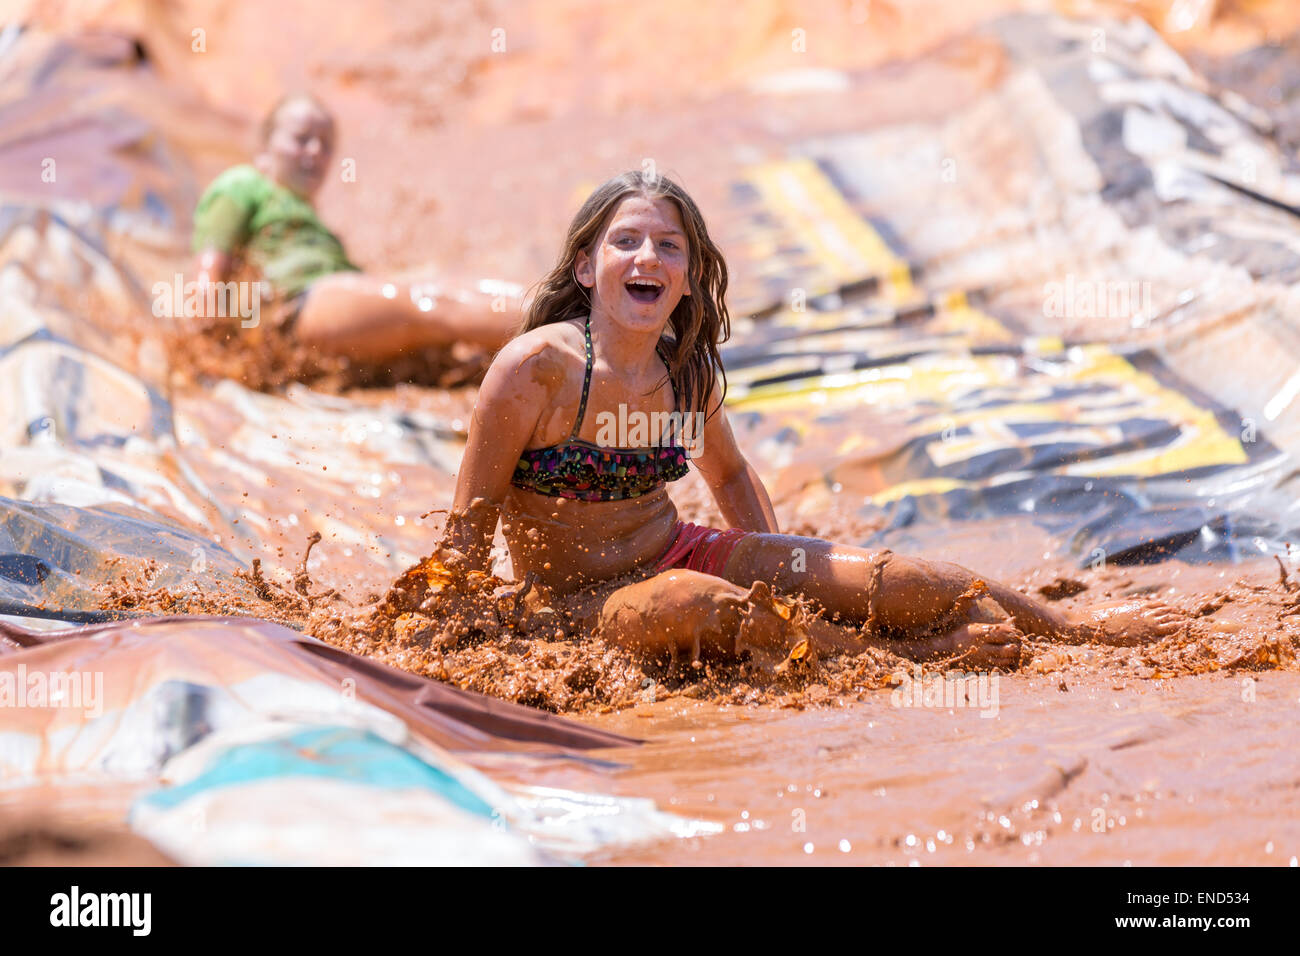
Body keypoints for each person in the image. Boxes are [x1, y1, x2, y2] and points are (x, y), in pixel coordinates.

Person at [437, 170, 1186, 667]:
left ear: (689, 278)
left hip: (678, 548)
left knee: (900, 580)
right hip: (583, 603)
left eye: (670, 246)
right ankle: (919, 659)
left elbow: (727, 472)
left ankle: (1076, 631)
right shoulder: (536, 370)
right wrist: (455, 631)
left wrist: (782, 565)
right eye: (626, 241)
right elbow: (470, 517)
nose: (648, 257)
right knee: (699, 605)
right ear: (585, 267)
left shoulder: (685, 373)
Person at [191, 93, 521, 363]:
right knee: (432, 300)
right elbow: (208, 271)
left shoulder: (307, 216)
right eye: (302, 139)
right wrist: (207, 347)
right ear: (265, 145)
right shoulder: (241, 184)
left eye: (325, 144)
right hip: (298, 305)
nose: (315, 152)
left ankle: (550, 320)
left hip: (317, 309)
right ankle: (559, 323)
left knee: (441, 290)